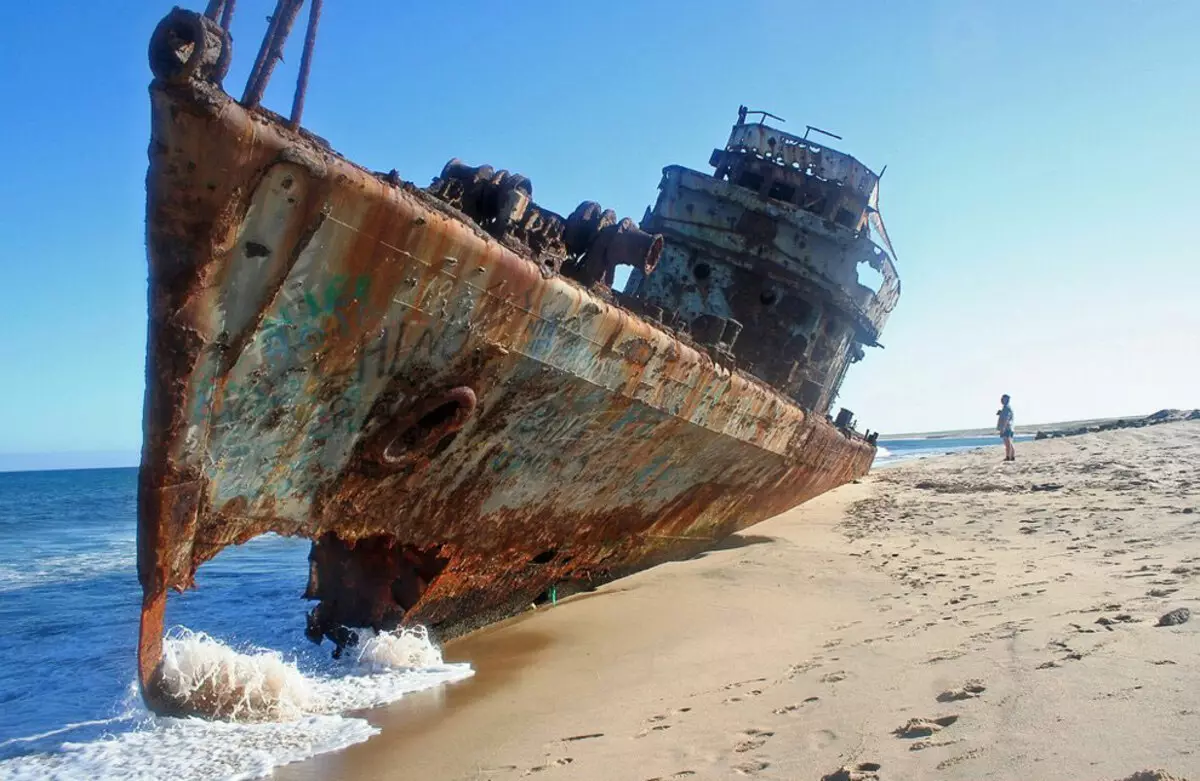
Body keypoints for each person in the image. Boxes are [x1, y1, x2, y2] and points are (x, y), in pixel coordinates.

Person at [996, 394, 1015, 462]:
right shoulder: (1006, 408)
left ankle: (1008, 456)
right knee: (1009, 442)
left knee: (1007, 443)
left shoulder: (1006, 408)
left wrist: (1003, 428)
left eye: (1003, 399)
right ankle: (1012, 456)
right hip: (1009, 427)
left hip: (1007, 428)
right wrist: (1001, 413)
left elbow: (1006, 419)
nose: (1001, 400)